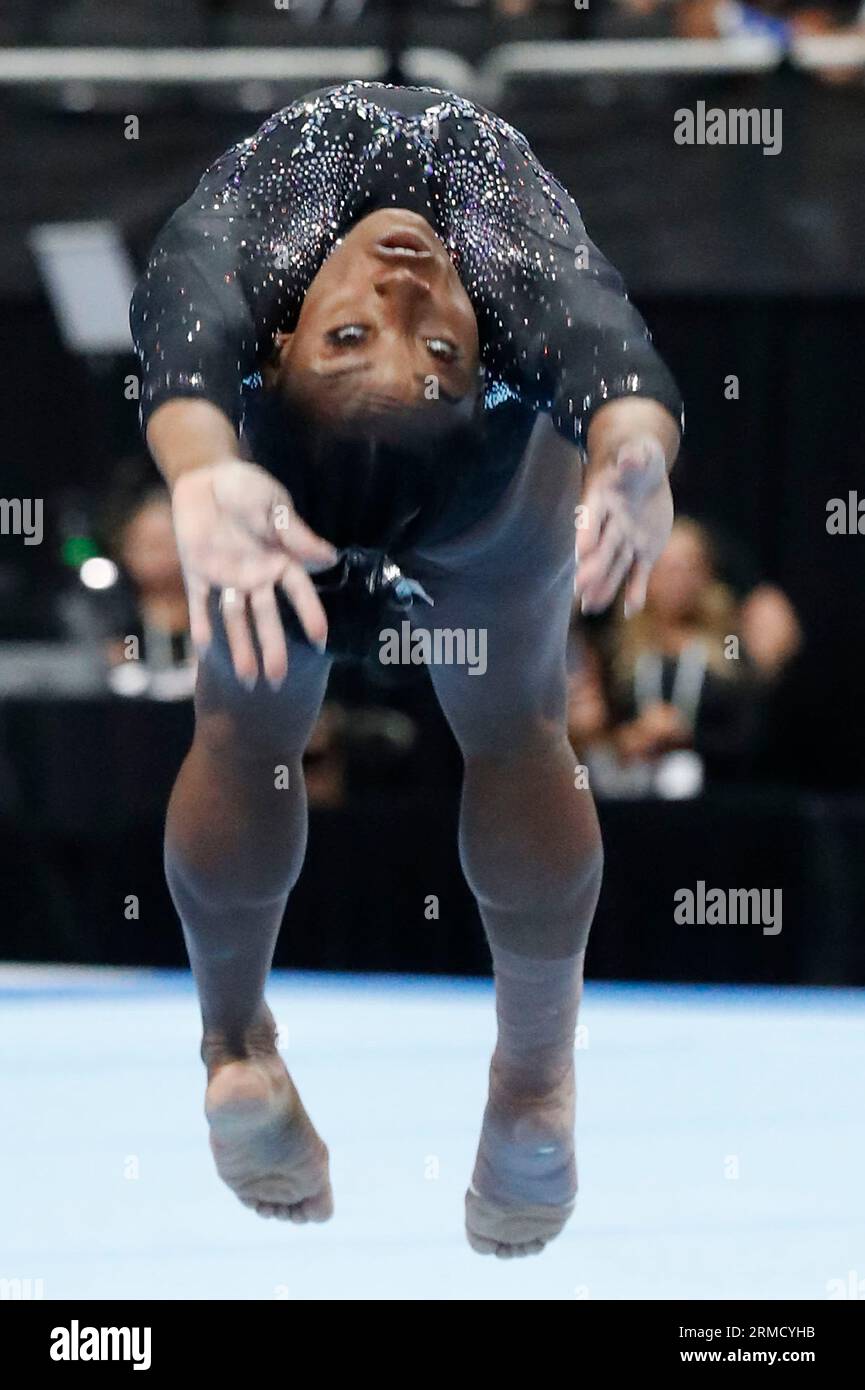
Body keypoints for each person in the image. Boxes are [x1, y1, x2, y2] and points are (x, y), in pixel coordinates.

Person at [131, 80, 682, 1258]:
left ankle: (234, 1049)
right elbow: (605, 348)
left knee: (242, 726)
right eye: (423, 344)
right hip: (480, 501)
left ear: (275, 349)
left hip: (280, 473)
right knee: (521, 729)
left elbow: (180, 318)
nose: (402, 293)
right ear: (488, 367)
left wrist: (200, 469)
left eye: (366, 336)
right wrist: (631, 446)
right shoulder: (506, 266)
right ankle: (533, 1088)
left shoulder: (268, 240)